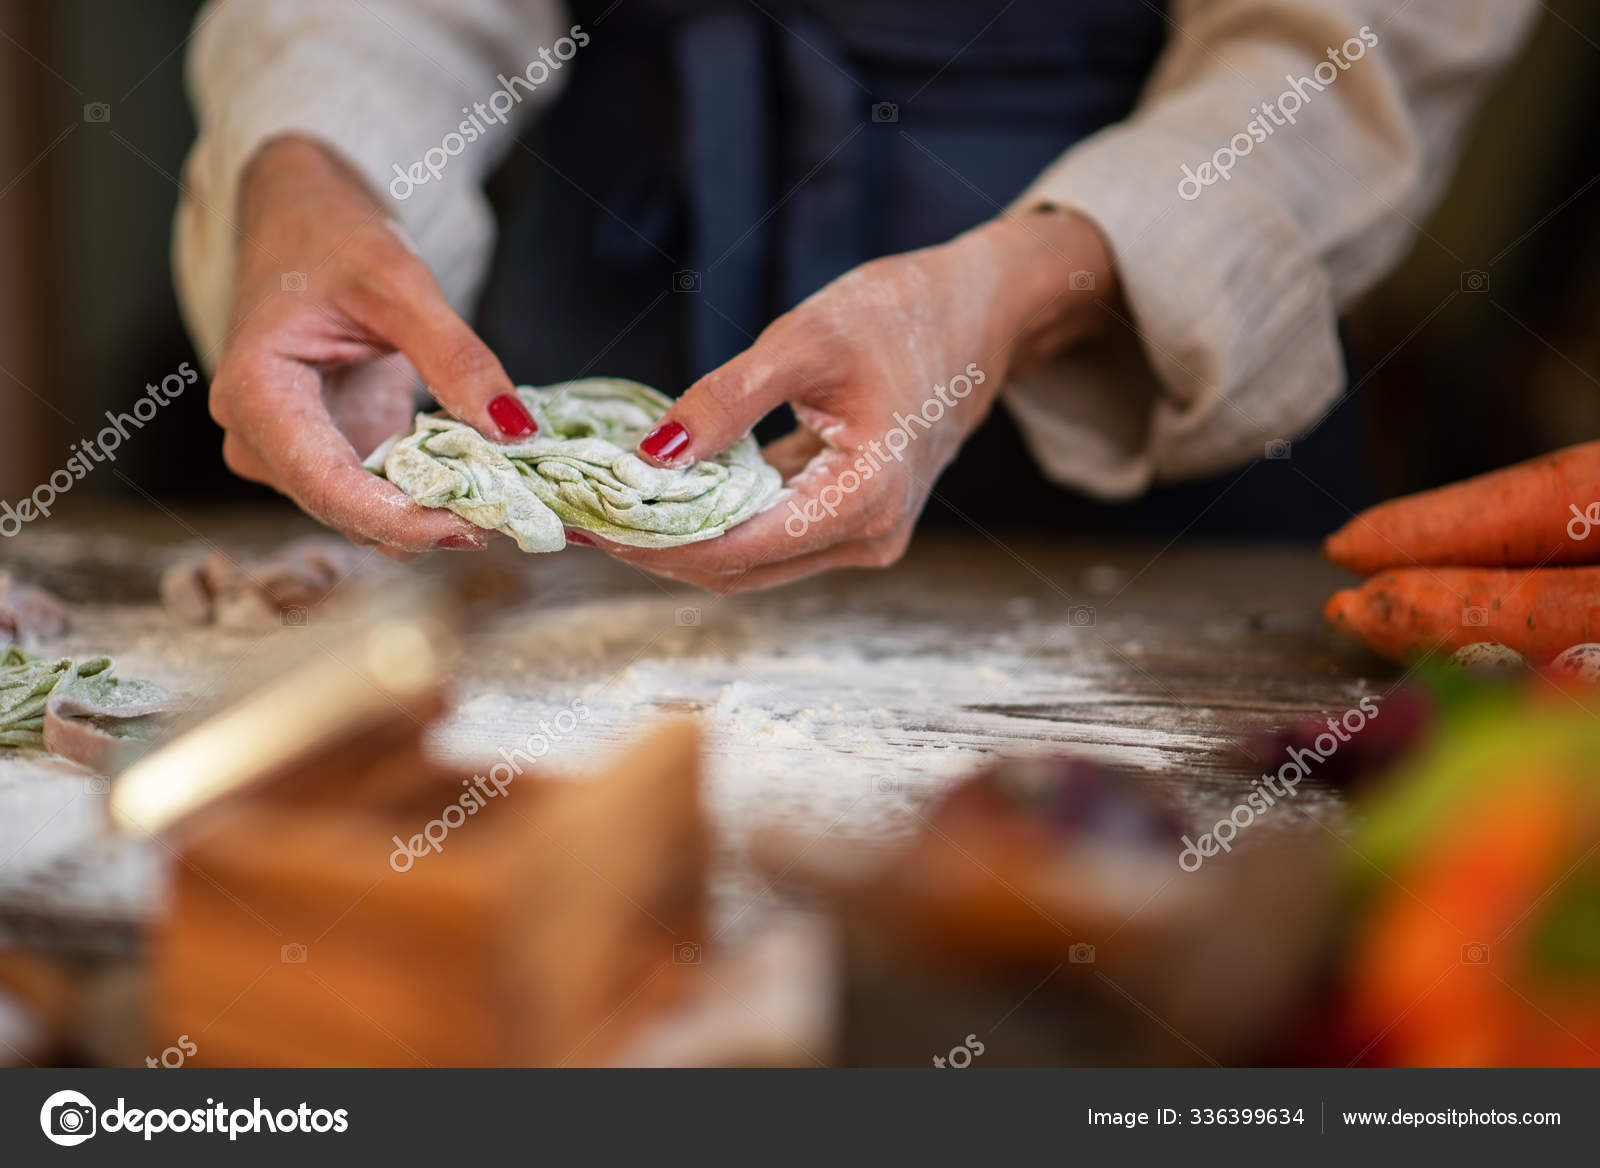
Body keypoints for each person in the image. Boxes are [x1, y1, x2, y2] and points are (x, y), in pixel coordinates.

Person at [175, 0, 1535, 591]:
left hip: (1151, 306)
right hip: (616, 256)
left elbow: (1358, 43)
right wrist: (312, 162)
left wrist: (1028, 290)